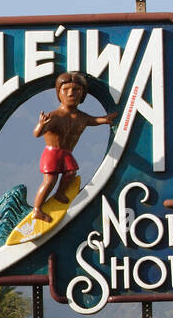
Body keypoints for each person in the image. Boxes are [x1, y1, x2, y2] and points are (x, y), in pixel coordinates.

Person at [31, 72, 117, 219]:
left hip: (66, 154)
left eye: (76, 90)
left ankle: (60, 193)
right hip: (52, 153)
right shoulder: (55, 116)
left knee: (71, 173)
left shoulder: (81, 117)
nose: (71, 93)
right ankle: (37, 210)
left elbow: (94, 120)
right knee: (50, 180)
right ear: (59, 93)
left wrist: (106, 119)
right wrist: (41, 125)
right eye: (66, 89)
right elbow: (37, 134)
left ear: (82, 94)